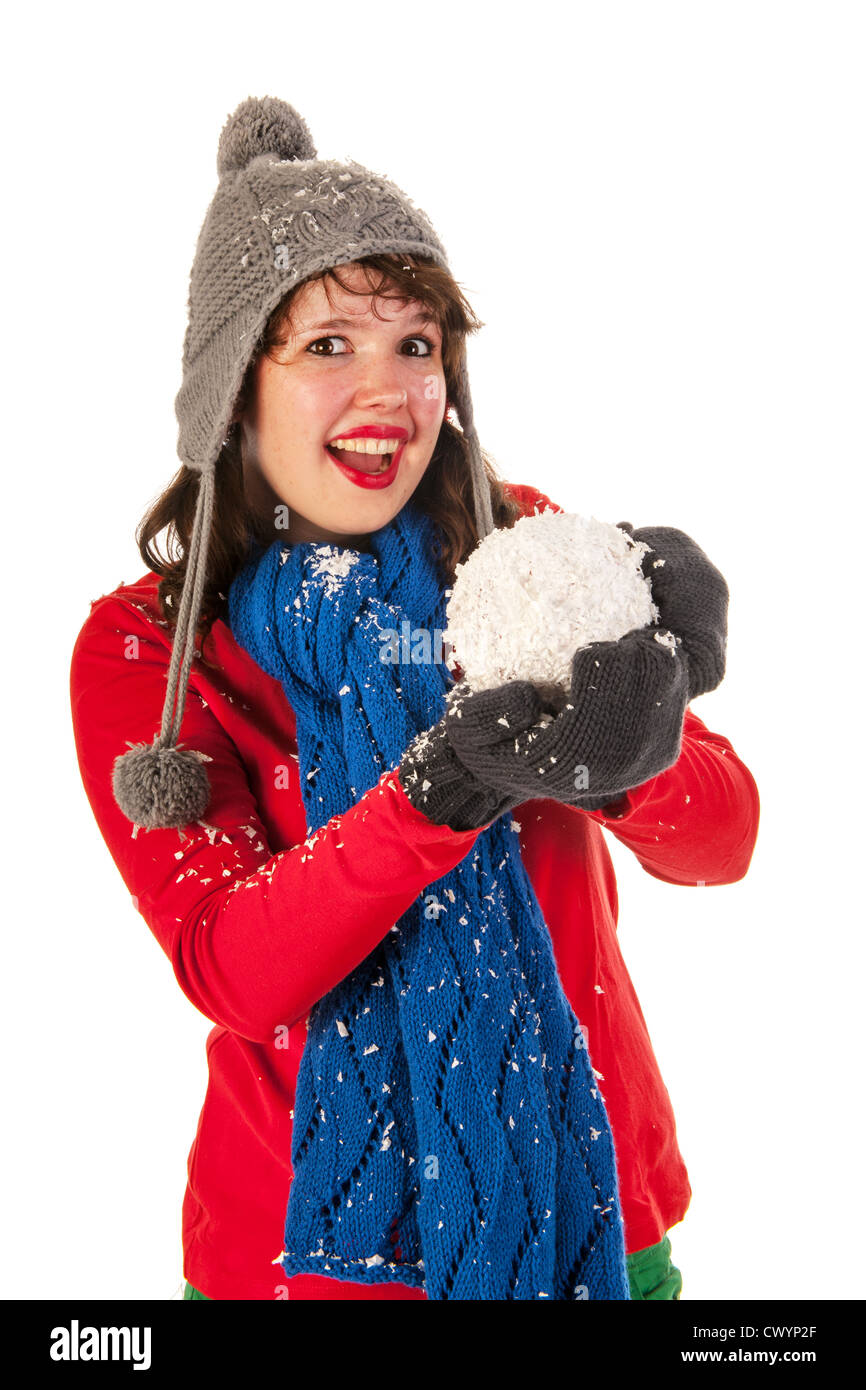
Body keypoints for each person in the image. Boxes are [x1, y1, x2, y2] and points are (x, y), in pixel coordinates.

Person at [69, 96, 760, 1301]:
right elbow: (233, 965)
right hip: (297, 1263)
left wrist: (630, 748)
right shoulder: (149, 654)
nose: (388, 389)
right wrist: (435, 795)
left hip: (594, 1212)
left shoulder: (517, 548)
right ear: (236, 387)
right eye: (328, 345)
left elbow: (723, 838)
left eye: (417, 342)